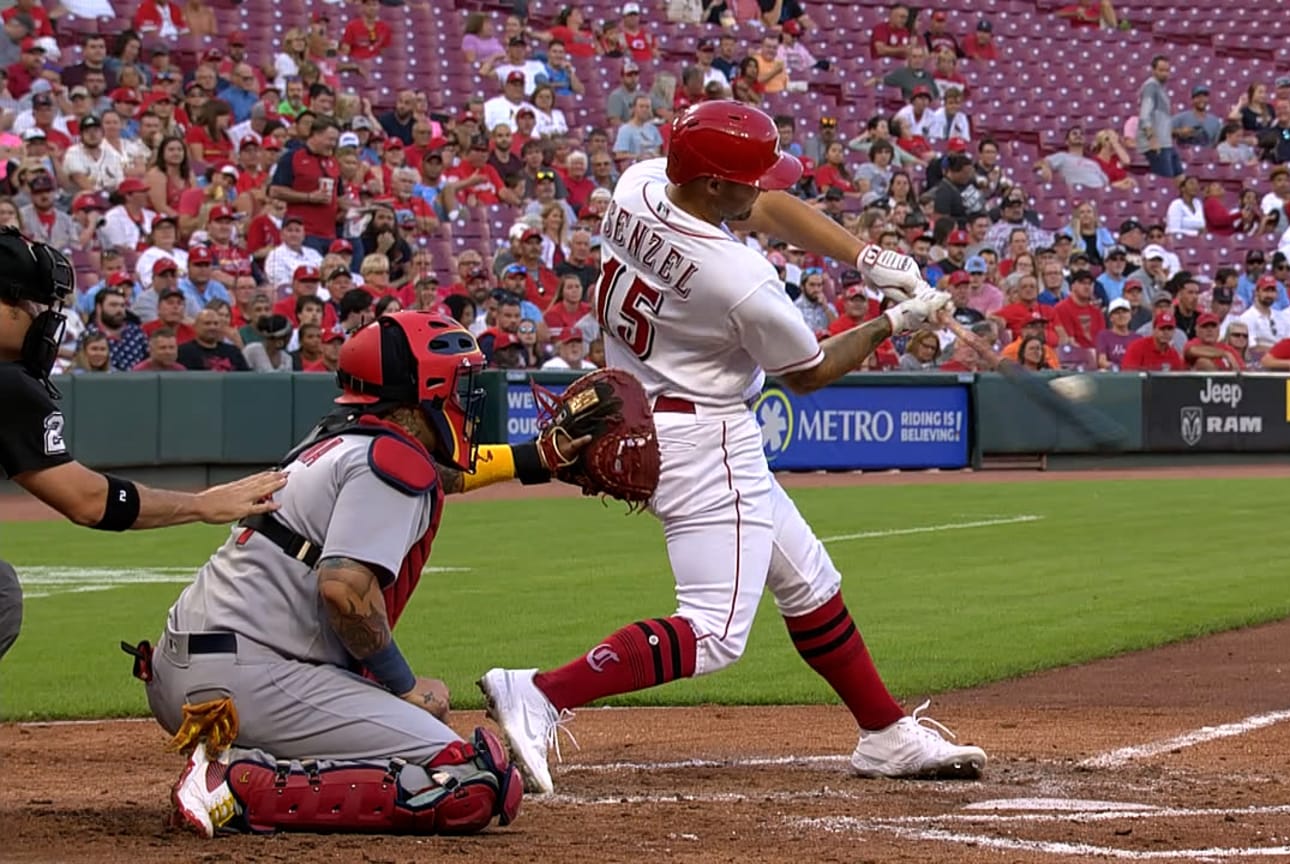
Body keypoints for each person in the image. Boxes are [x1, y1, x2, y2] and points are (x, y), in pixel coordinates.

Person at [478, 100, 981, 796]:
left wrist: (866, 258)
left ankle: (885, 733)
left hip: (646, 408)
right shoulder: (739, 280)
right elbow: (807, 375)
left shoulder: (639, 187)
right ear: (714, 184)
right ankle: (538, 691)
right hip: (705, 436)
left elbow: (766, 208)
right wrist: (896, 318)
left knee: (808, 580)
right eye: (745, 176)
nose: (760, 186)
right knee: (713, 632)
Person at [144, 311, 596, 837]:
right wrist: (403, 686)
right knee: (467, 778)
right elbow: (343, 590)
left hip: (192, 666)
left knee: (429, 752)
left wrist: (536, 458)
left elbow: (442, 475)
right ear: (419, 393)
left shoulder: (338, 441)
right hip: (246, 680)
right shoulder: (391, 461)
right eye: (458, 383)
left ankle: (249, 759)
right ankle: (234, 788)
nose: (468, 397)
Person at [0, 227, 284, 664]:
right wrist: (201, 505)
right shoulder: (7, 383)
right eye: (30, 303)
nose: (42, 316)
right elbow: (89, 501)